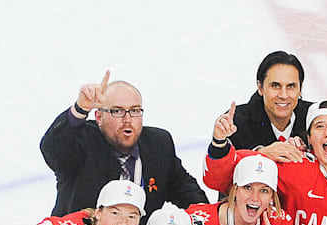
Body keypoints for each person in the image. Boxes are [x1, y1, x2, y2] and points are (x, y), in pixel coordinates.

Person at [40, 70, 208, 216]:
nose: (127, 120)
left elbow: (184, 188)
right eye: (117, 111)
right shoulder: (83, 141)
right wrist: (80, 108)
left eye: (134, 111)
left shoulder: (158, 144)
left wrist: (205, 216)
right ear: (99, 117)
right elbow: (52, 147)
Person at [220, 51, 315, 155]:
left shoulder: (317, 118)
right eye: (275, 85)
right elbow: (218, 167)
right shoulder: (236, 122)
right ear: (260, 87)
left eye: (291, 86)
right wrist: (259, 153)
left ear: (300, 88)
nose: (283, 95)